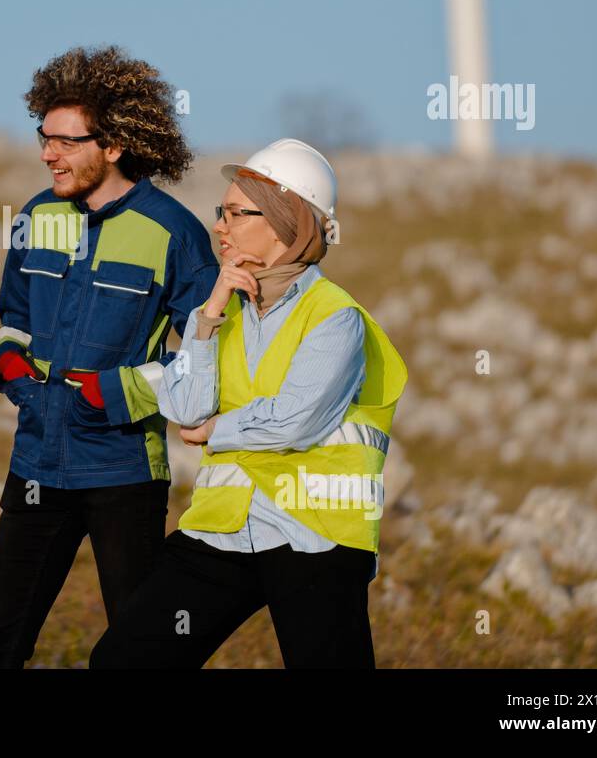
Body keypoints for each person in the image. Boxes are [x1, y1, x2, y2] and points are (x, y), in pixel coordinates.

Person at [90, 138, 407, 669]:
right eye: (222, 212)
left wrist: (216, 431)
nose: (220, 226)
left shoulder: (336, 318)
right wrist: (208, 316)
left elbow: (294, 422)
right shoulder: (222, 312)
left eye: (236, 213)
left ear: (288, 223)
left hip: (316, 538)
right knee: (124, 660)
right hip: (223, 531)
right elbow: (188, 409)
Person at [0, 45, 219, 668]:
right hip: (35, 463)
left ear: (113, 144)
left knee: (139, 651)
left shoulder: (173, 231)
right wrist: (16, 375)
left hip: (124, 472)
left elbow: (210, 352)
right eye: (43, 136)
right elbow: (14, 317)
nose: (48, 153)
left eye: (66, 141)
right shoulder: (37, 214)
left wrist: (116, 394)